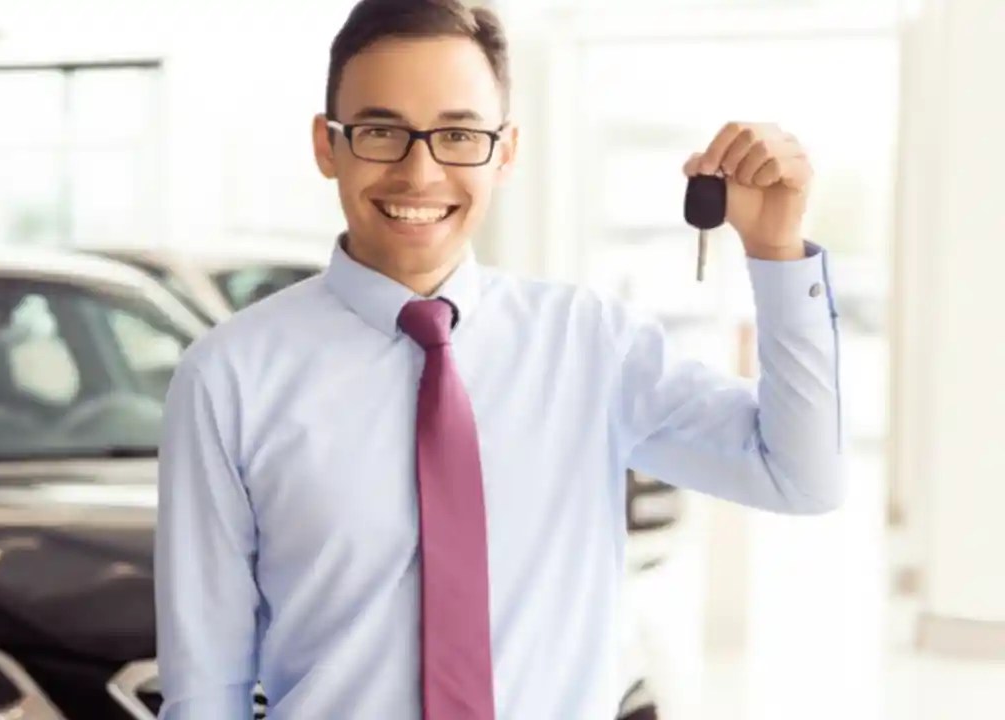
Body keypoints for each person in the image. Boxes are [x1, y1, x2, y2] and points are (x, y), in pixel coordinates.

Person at [154, 0, 845, 717]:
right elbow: (207, 684)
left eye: (457, 133)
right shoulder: (228, 377)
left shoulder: (593, 345)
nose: (419, 172)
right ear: (328, 146)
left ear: (506, 150)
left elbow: (800, 476)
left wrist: (777, 253)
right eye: (381, 131)